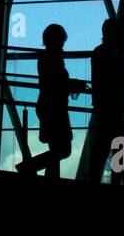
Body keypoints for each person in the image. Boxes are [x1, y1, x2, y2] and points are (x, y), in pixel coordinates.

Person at [16, 24, 86, 179]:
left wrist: (70, 84)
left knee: (56, 150)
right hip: (54, 108)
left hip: (48, 107)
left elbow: (53, 83)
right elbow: (57, 83)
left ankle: (39, 172)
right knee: (62, 150)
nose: (62, 47)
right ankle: (28, 167)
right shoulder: (53, 59)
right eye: (61, 43)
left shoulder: (46, 58)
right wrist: (73, 84)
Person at [84, 18, 124, 183]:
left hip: (103, 109)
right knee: (116, 151)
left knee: (103, 151)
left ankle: (94, 178)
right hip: (111, 110)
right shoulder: (111, 53)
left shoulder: (99, 52)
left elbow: (100, 81)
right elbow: (111, 80)